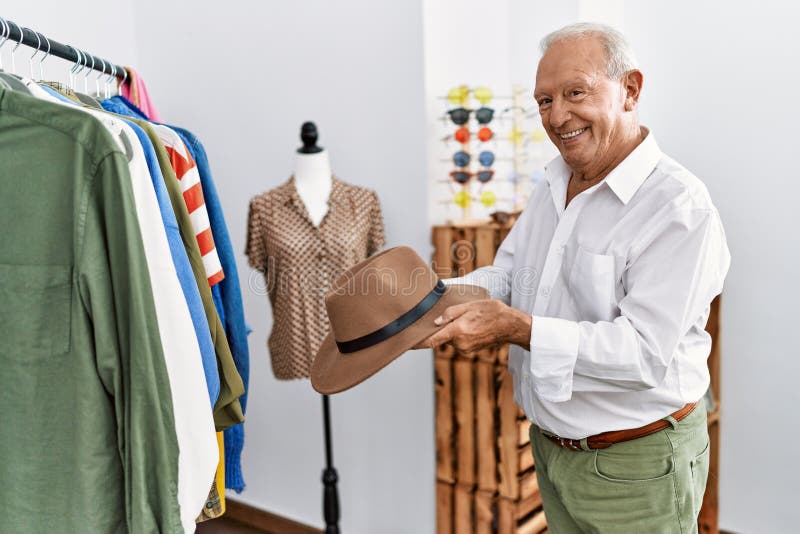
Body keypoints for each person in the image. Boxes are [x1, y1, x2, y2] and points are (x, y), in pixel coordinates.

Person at [418, 22, 730, 532]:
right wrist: (433, 300)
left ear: (630, 90)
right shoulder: (553, 182)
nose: (557, 115)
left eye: (575, 93)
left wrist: (518, 329)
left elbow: (643, 352)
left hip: (638, 464)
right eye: (543, 101)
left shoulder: (678, 207)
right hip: (553, 449)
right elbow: (510, 274)